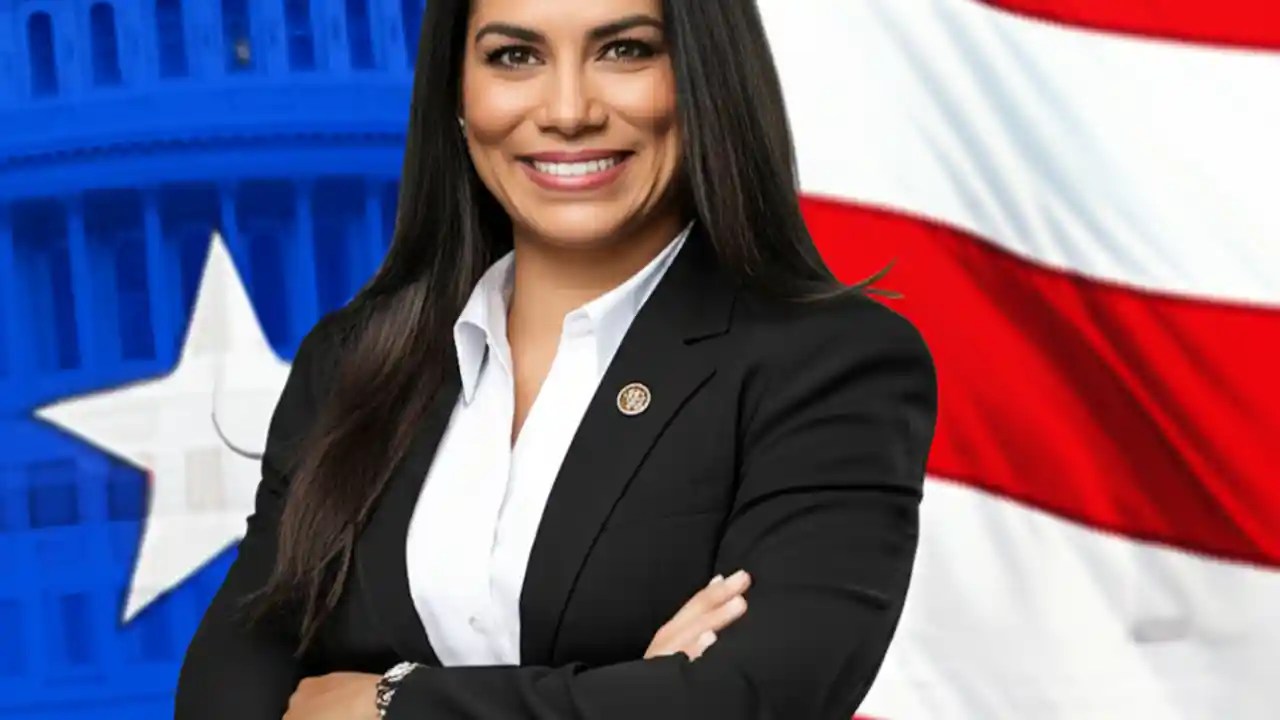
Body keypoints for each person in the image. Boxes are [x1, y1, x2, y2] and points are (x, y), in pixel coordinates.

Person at [174, 0, 937, 717]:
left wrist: (392, 703)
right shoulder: (353, 362)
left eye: (625, 50)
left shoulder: (831, 364)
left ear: (705, 76)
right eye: (514, 56)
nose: (569, 110)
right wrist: (628, 689)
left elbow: (749, 698)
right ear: (457, 94)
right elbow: (226, 687)